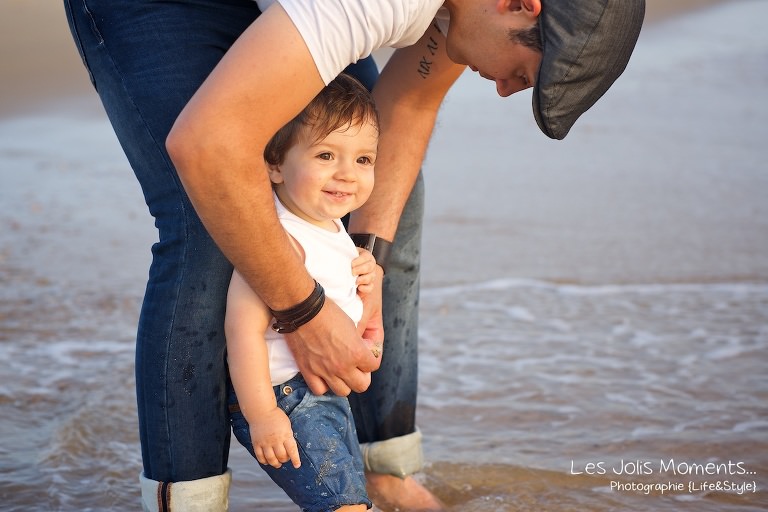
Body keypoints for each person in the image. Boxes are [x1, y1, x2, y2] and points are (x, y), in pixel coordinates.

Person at [63, 0, 644, 510]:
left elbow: (409, 107)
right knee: (209, 227)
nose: (501, 88)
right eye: (521, 75)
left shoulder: (474, 10)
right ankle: (185, 500)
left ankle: (383, 472)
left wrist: (356, 266)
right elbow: (206, 147)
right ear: (521, 5)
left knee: (380, 195)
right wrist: (304, 312)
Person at [226, 73, 382, 512]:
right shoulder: (279, 242)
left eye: (364, 160)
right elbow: (242, 332)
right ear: (275, 164)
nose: (347, 174)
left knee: (350, 500)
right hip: (284, 399)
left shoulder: (331, 228)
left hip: (323, 393)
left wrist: (366, 273)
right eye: (326, 154)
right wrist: (262, 415)